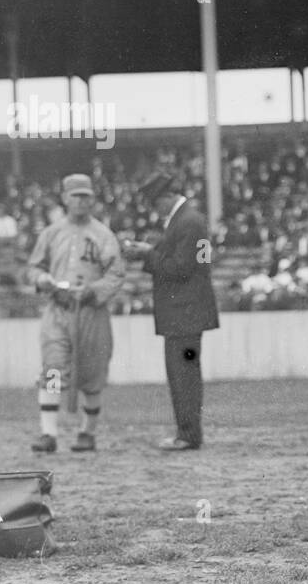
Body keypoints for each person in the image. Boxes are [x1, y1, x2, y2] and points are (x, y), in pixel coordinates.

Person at [26, 174, 125, 453]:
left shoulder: (103, 234)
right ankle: (49, 434)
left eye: (86, 196)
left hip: (91, 311)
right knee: (53, 368)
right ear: (65, 198)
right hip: (59, 308)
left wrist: (94, 290)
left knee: (92, 373)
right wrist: (42, 278)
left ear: (93, 199)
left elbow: (116, 273)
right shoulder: (51, 233)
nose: (81, 201)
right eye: (76, 195)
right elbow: (33, 267)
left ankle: (87, 432)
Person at [122, 171, 220, 451]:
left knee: (184, 375)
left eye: (156, 204)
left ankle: (188, 435)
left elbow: (179, 268)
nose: (155, 211)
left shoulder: (187, 222)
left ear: (166, 198)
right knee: (184, 374)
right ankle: (187, 433)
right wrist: (151, 250)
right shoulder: (188, 219)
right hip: (185, 315)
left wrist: (145, 254)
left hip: (184, 316)